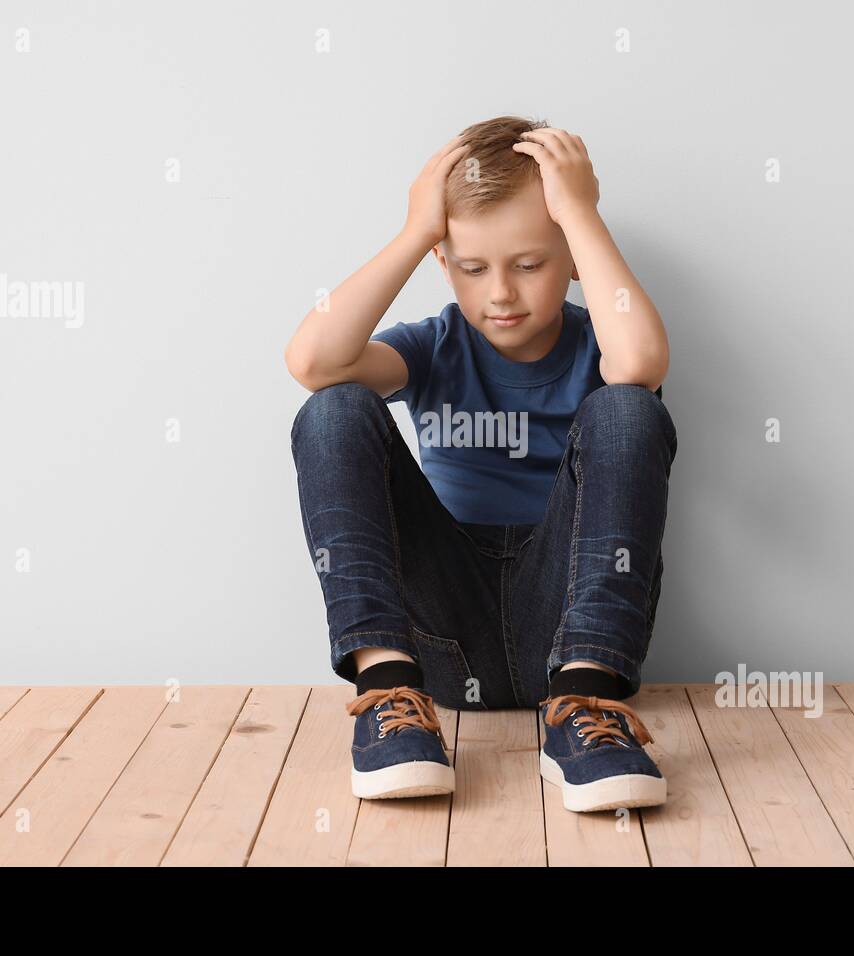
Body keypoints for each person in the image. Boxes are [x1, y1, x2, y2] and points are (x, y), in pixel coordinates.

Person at [284, 116, 676, 813]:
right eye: (473, 267)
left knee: (629, 407)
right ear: (444, 262)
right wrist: (415, 232)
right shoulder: (434, 345)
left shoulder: (605, 344)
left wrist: (580, 212)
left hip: (570, 632)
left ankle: (584, 708)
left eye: (529, 264)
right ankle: (385, 694)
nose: (500, 292)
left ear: (574, 256)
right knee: (332, 408)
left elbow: (641, 364)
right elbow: (313, 362)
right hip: (440, 636)